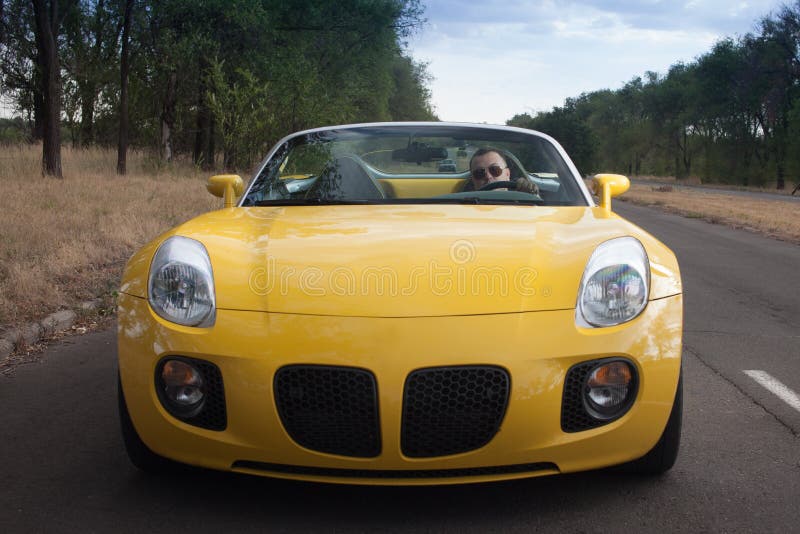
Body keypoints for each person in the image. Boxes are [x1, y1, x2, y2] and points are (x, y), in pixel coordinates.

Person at [468, 148, 539, 195]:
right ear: (473, 180)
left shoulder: (524, 203)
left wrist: (530, 194)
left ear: (507, 174)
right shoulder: (463, 206)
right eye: (479, 173)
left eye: (494, 170)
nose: (488, 176)